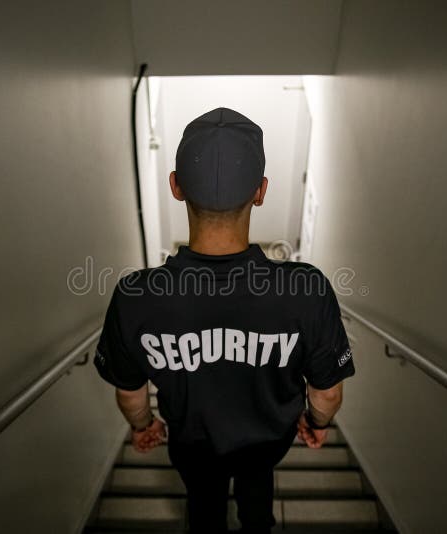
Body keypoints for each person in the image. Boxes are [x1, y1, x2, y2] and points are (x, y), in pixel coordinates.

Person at [94, 107, 355, 534]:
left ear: (176, 187)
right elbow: (327, 394)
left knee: (204, 510)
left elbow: (131, 395)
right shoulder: (306, 289)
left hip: (193, 445)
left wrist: (143, 426)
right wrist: (315, 422)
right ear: (261, 191)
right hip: (268, 442)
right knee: (257, 502)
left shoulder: (135, 297)